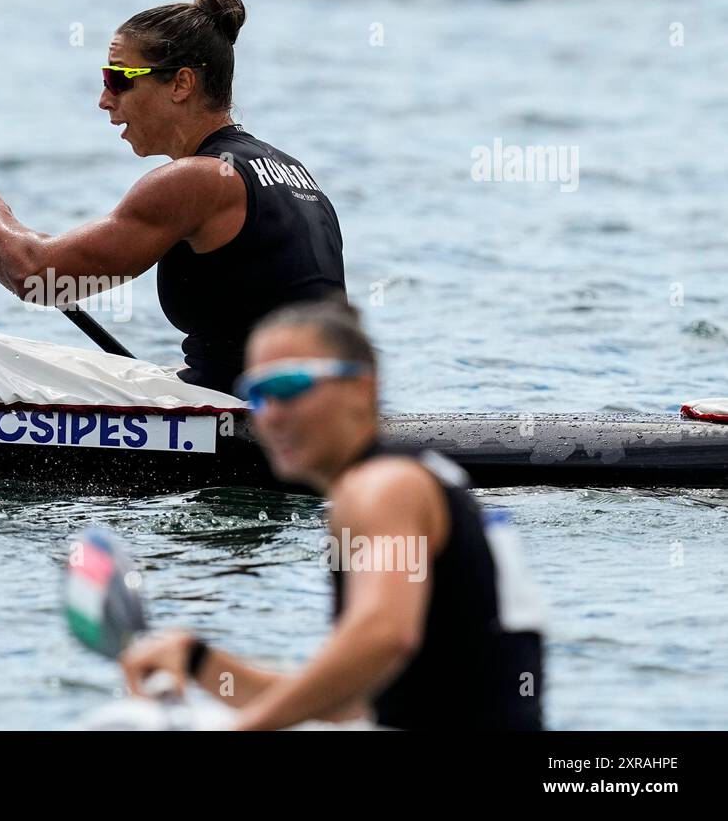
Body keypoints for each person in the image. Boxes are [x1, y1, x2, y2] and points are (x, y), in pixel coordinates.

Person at [119, 300, 546, 730]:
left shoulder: (382, 487)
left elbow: (384, 635)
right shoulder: (411, 477)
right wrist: (200, 660)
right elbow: (347, 704)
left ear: (362, 389)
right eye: (257, 394)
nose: (270, 415)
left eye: (289, 387)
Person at [0, 0, 346, 394]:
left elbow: (38, 276)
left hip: (246, 409)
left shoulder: (196, 180)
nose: (103, 99)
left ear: (181, 84)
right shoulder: (291, 171)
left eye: (118, 79)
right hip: (319, 401)